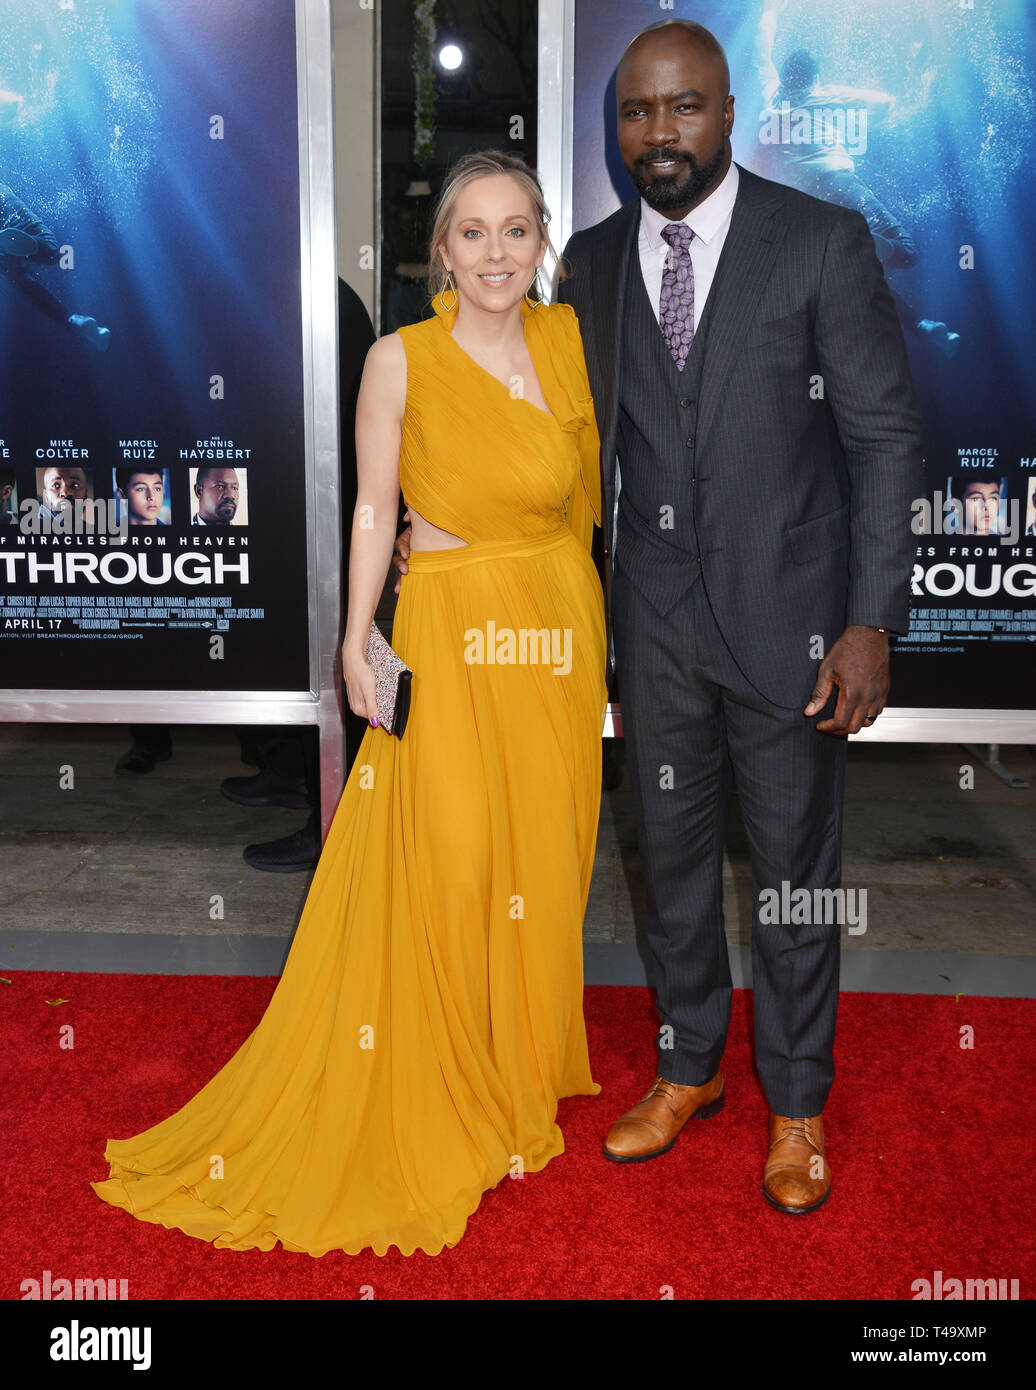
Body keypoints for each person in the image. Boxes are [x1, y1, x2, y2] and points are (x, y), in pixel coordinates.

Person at [400, 21, 923, 1215]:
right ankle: (688, 1067)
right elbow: (527, 419)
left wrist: (870, 623)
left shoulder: (821, 244)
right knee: (672, 865)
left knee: (793, 878)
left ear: (727, 113)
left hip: (796, 628)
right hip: (652, 626)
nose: (659, 133)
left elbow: (885, 440)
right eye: (637, 114)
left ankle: (796, 1106)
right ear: (615, 130)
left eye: (683, 108)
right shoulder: (584, 260)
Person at [91, 151, 608, 1256]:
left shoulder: (570, 341)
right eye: (472, 232)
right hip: (455, 629)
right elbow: (375, 508)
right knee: (458, 851)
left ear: (543, 239)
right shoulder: (400, 358)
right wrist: (354, 633)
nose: (496, 254)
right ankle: (446, 1061)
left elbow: (593, 501)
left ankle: (519, 1058)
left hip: (559, 633)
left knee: (547, 854)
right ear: (440, 251)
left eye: (517, 230)